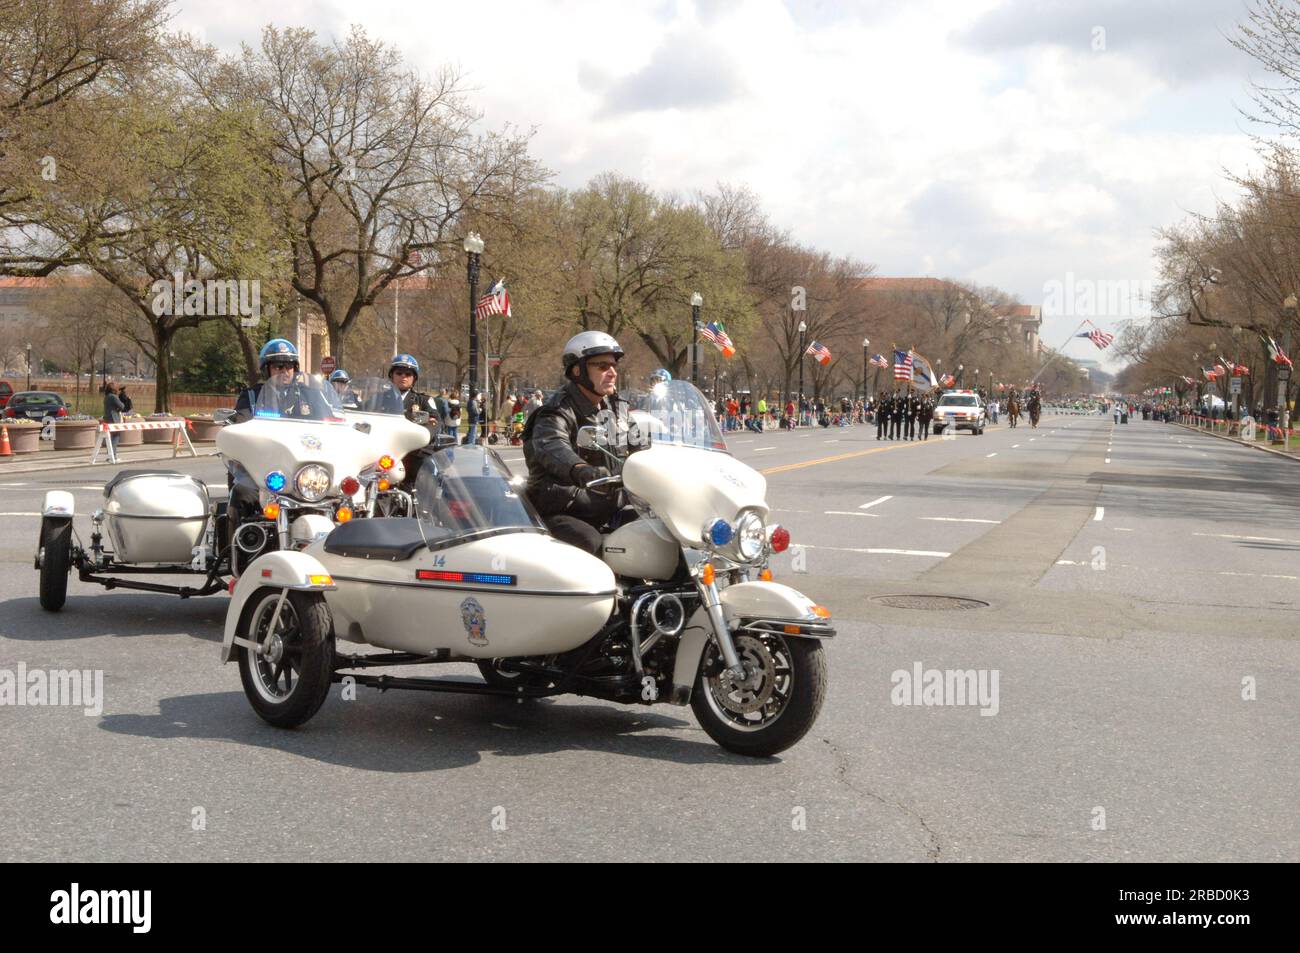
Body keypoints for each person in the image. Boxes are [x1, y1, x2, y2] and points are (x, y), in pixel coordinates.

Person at [523, 331, 630, 556]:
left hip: (609, 505)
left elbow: (637, 443)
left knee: (661, 530)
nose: (612, 372)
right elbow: (551, 445)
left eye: (613, 365)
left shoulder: (615, 408)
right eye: (602, 366)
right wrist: (581, 470)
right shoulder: (555, 412)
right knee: (591, 543)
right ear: (578, 370)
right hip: (564, 509)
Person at [387, 353, 441, 483]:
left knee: (420, 477)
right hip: (384, 451)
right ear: (392, 376)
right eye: (399, 373)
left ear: (414, 378)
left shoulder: (423, 401)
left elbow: (434, 422)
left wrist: (425, 434)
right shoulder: (379, 399)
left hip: (411, 453)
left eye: (408, 374)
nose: (403, 377)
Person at [103, 380, 125, 455]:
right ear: (114, 389)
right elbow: (122, 406)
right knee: (116, 436)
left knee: (110, 437)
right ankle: (112, 454)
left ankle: (110, 453)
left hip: (107, 418)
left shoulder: (106, 397)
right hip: (114, 418)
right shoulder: (113, 397)